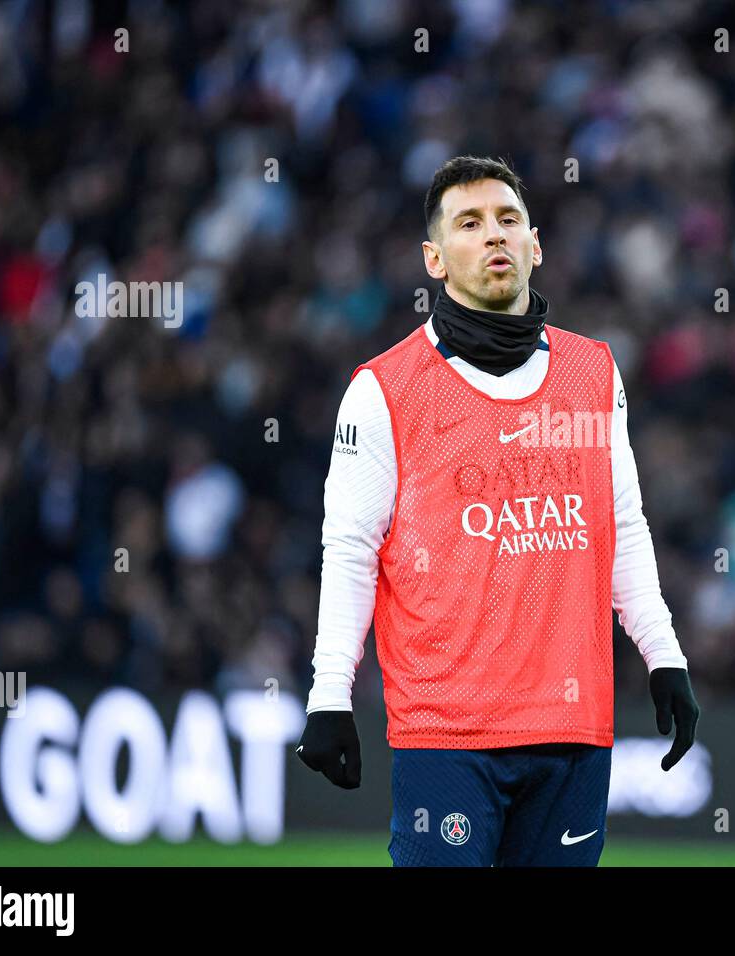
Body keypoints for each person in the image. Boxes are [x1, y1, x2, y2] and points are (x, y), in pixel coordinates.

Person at [296, 155, 699, 866]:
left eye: (508, 220)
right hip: (446, 734)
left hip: (572, 730)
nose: (494, 237)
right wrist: (330, 693)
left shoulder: (593, 374)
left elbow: (623, 526)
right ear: (434, 258)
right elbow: (350, 550)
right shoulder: (383, 391)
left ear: (535, 245)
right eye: (470, 223)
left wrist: (664, 655)